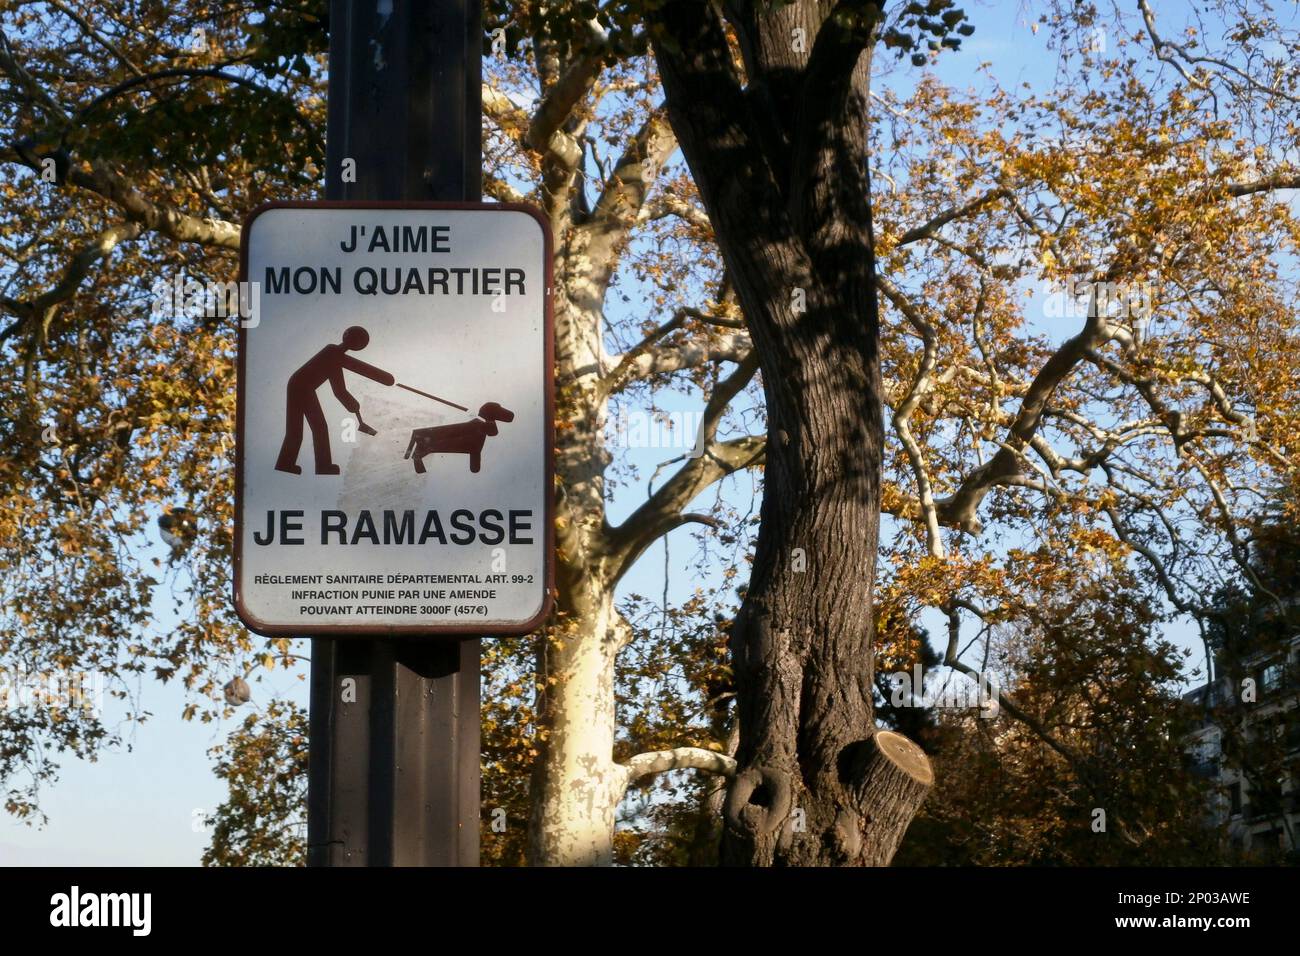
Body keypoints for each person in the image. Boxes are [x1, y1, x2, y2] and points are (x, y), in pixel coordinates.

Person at [274, 326, 395, 475]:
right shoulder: (333, 352)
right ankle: (320, 466)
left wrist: (352, 404)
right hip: (301, 387)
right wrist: (353, 403)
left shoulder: (334, 355)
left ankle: (288, 463)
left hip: (298, 386)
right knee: (316, 428)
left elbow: (339, 389)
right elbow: (343, 385)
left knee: (301, 429)